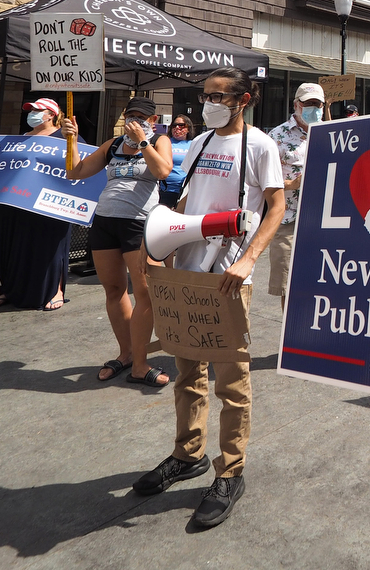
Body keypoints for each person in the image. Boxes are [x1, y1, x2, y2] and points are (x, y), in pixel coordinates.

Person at [132, 66, 285, 529]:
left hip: (228, 279)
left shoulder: (260, 146)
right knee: (186, 372)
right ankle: (187, 454)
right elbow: (184, 207)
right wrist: (156, 246)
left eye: (219, 96)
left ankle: (231, 471)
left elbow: (276, 206)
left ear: (243, 100)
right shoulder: (198, 144)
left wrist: (248, 259)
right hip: (188, 274)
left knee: (232, 382)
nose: (208, 104)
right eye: (205, 96)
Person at [66, 97, 174, 388]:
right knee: (114, 289)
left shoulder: (159, 140)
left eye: (143, 117)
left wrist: (142, 142)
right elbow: (75, 171)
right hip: (104, 222)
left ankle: (141, 364)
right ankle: (126, 354)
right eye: (132, 116)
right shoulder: (112, 145)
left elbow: (163, 172)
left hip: (138, 225)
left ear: (153, 120)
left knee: (145, 292)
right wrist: (72, 140)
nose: (136, 121)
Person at [0, 97, 72, 311]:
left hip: (48, 206)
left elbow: (79, 165)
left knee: (50, 249)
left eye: (38, 110)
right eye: (31, 110)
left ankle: (56, 290)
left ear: (51, 115)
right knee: (11, 248)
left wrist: (71, 140)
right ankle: (8, 289)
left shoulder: (64, 136)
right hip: (15, 204)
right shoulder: (19, 138)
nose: (32, 113)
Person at [267, 82, 325, 310]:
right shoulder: (277, 135)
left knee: (319, 285)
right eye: (309, 104)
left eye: (317, 104)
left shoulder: (331, 132)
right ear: (296, 105)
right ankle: (289, 340)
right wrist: (292, 184)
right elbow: (263, 181)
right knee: (289, 287)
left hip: (322, 221)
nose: (314, 109)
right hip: (289, 219)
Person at [159, 114, 195, 209]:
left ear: (188, 128)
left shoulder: (194, 144)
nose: (177, 128)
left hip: (185, 191)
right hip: (165, 190)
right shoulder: (164, 142)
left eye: (181, 125)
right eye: (174, 125)